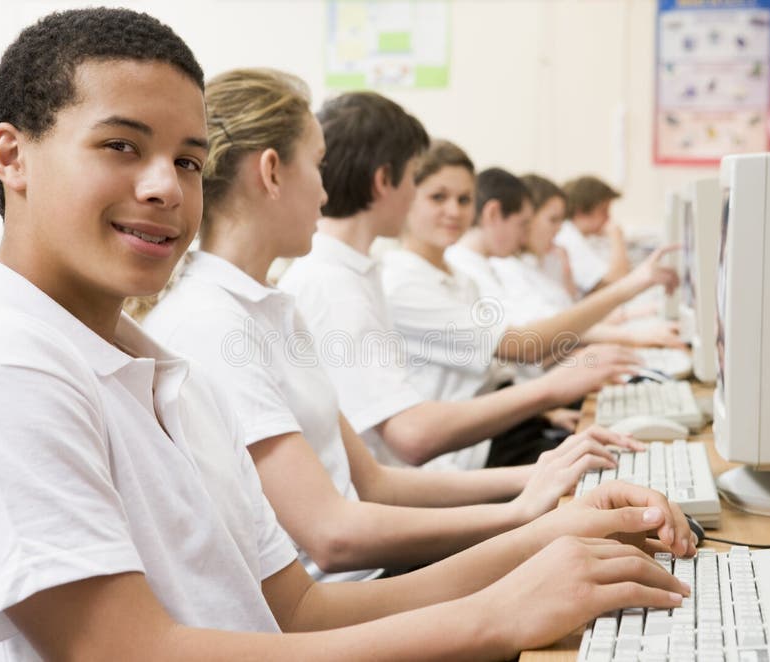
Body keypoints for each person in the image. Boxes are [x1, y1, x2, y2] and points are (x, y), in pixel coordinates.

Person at [0, 9, 693, 660]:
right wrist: (499, 610)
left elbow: (298, 611)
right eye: (121, 146)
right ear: (10, 156)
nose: (163, 186)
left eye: (188, 160)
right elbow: (137, 652)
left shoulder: (160, 369)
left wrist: (548, 538)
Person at [143, 67, 649, 582]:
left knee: (606, 556)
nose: (325, 190)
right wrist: (520, 515)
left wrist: (537, 479)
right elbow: (333, 536)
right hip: (347, 593)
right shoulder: (215, 322)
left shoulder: (274, 307)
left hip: (369, 569)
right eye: (319, 166)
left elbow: (377, 483)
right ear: (272, 171)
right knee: (597, 570)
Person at [280, 95, 638, 471]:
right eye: (424, 186)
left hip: (422, 474)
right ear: (386, 180)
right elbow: (411, 440)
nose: (321, 189)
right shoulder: (340, 285)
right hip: (437, 471)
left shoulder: (359, 274)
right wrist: (549, 392)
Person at [449, 169, 685, 351]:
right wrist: (631, 331)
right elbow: (535, 338)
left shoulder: (495, 265)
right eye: (524, 223)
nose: (559, 230)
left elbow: (558, 322)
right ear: (493, 214)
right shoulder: (490, 267)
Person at [555, 174, 632, 295]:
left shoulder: (587, 237)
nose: (608, 217)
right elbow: (616, 281)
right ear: (580, 211)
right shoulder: (568, 238)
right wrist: (616, 235)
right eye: (603, 211)